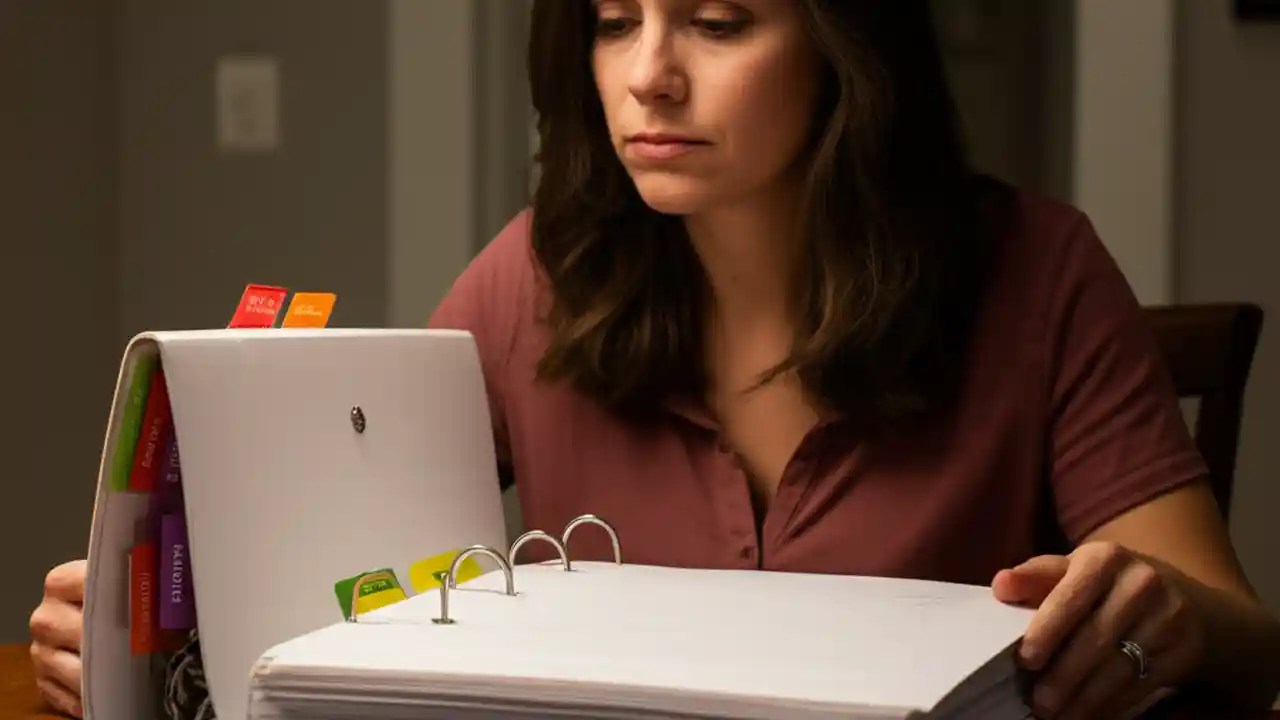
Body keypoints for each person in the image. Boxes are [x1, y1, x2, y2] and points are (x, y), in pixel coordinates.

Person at [30, 1, 1280, 718]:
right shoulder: (534, 277)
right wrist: (158, 631)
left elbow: (1240, 639)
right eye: (613, 19)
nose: (647, 76)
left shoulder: (1037, 269)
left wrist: (1153, 628)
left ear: (849, 48)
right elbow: (360, 594)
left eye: (718, 20)